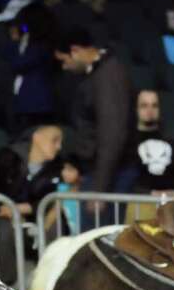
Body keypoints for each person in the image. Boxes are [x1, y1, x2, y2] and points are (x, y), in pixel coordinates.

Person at [0, 123, 67, 290]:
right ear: (37, 138)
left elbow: (55, 198)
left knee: (56, 226)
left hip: (35, 216)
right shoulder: (5, 158)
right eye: (54, 140)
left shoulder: (58, 166)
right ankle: (4, 285)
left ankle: (51, 282)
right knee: (3, 230)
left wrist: (26, 208)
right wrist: (3, 207)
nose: (59, 146)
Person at [55, 29, 131, 197]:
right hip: (97, 171)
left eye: (64, 60)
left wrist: (99, 187)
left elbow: (112, 133)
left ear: (75, 51)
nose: (64, 66)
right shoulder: (97, 72)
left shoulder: (108, 75)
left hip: (107, 176)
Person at [114, 88, 174, 194]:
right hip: (139, 204)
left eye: (154, 105)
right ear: (135, 109)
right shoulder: (126, 143)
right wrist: (148, 193)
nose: (150, 110)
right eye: (144, 105)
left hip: (169, 203)